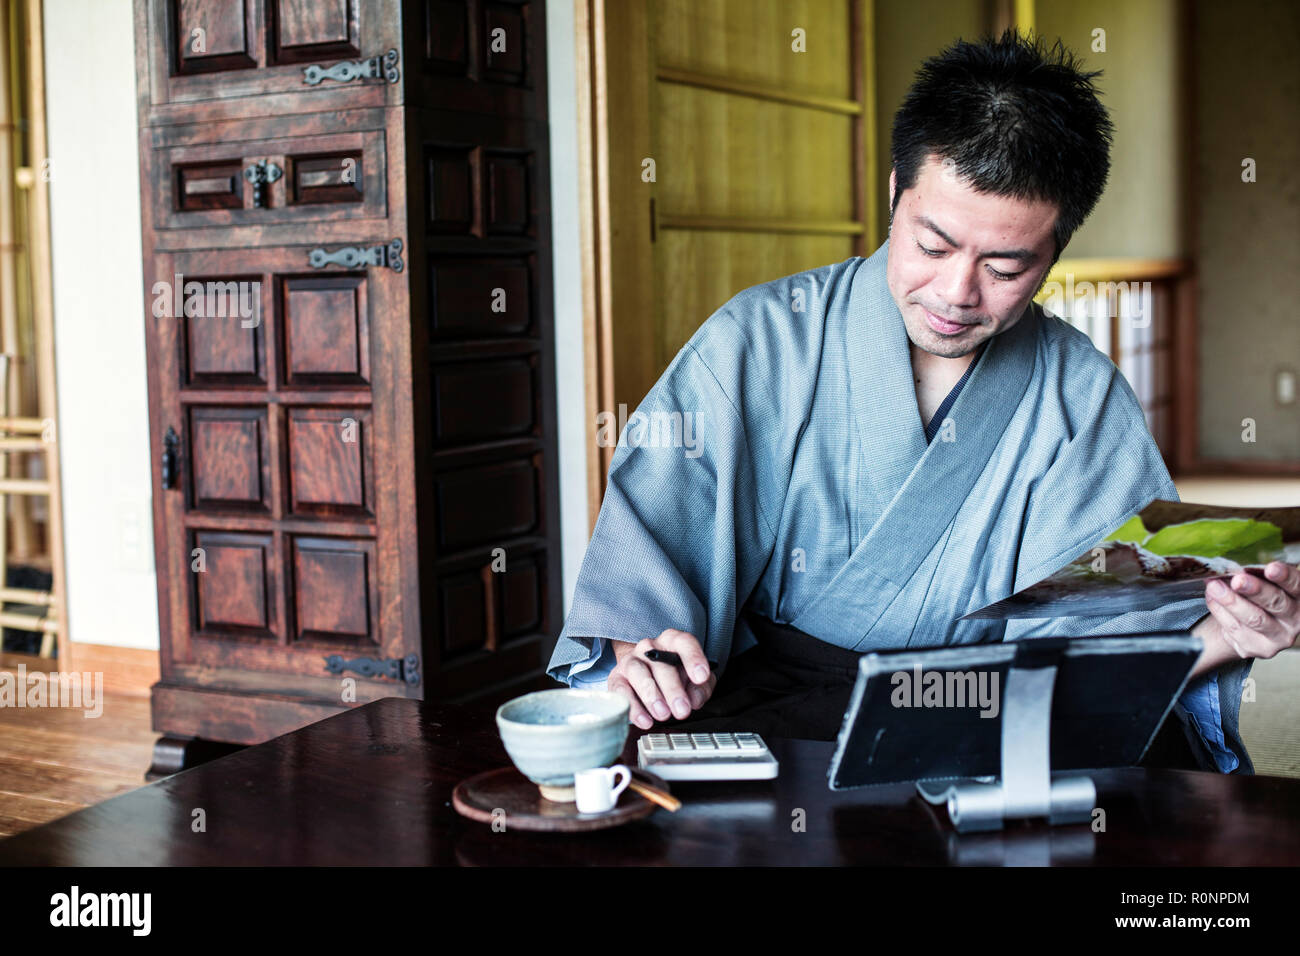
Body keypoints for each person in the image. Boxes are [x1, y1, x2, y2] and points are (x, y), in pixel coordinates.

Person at [546, 31, 1299, 773]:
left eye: (1005, 266)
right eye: (932, 245)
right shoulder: (760, 339)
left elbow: (1105, 648)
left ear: (1054, 253)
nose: (955, 293)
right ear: (895, 193)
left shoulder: (1080, 391)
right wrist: (641, 652)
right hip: (790, 710)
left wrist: (1231, 633)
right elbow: (651, 569)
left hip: (1006, 716)